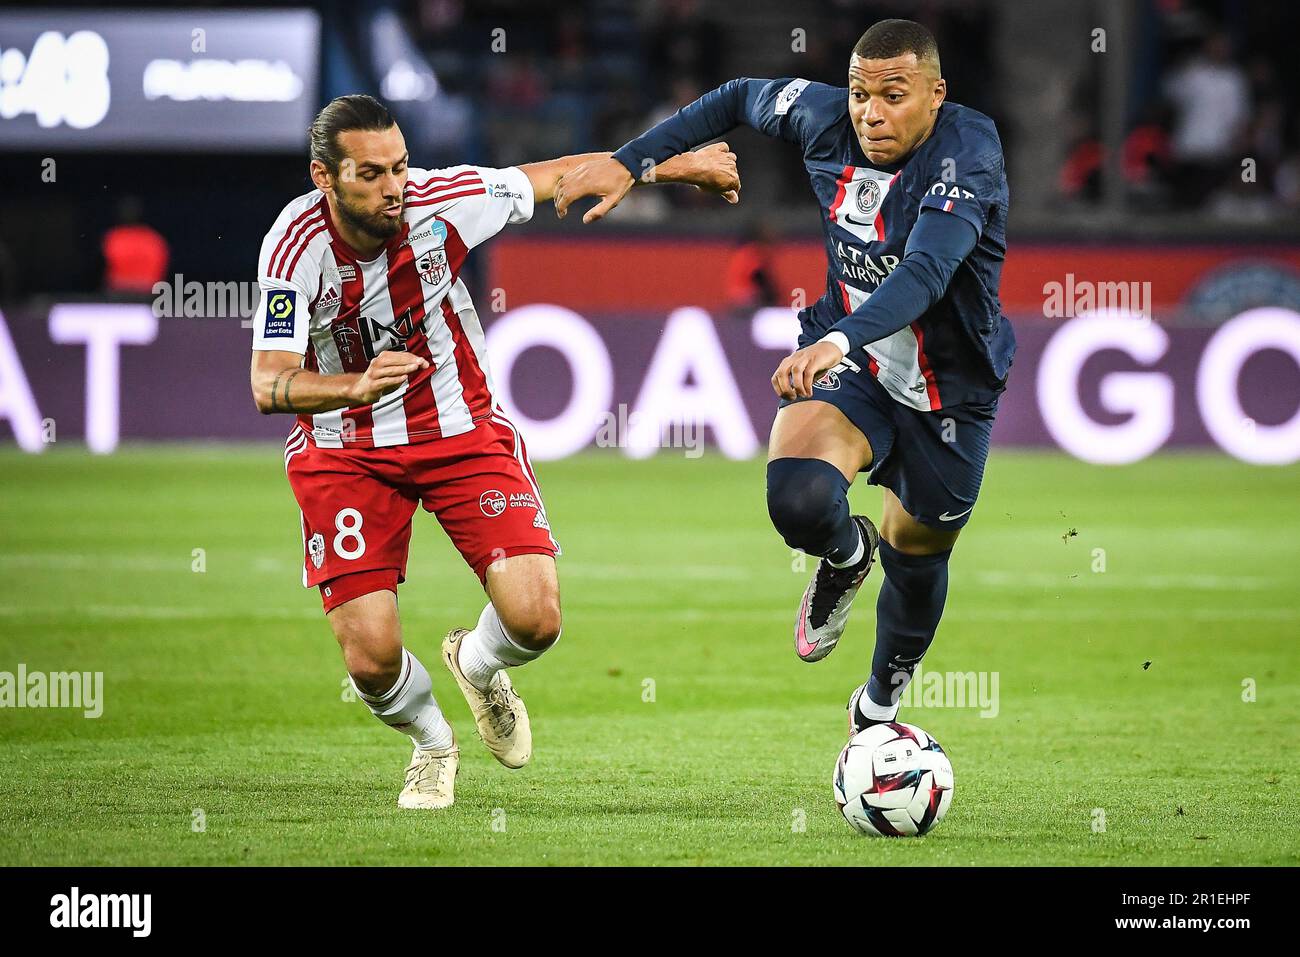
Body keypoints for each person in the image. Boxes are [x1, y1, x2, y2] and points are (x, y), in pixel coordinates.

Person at [250, 94, 738, 808]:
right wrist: (354, 386)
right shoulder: (294, 248)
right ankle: (431, 742)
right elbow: (269, 384)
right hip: (346, 448)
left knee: (536, 617)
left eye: (400, 167)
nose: (393, 188)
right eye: (370, 174)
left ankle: (475, 665)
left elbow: (562, 175)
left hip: (459, 431)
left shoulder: (442, 202)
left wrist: (676, 165)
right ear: (324, 177)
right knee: (371, 657)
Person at [555, 19, 1015, 735]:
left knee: (917, 558)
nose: (870, 112)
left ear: (935, 94)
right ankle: (845, 552)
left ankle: (878, 707)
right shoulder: (824, 117)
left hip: (947, 389)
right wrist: (632, 161)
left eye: (893, 96)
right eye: (861, 93)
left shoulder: (968, 150)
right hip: (857, 362)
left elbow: (926, 272)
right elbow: (739, 97)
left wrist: (837, 337)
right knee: (798, 500)